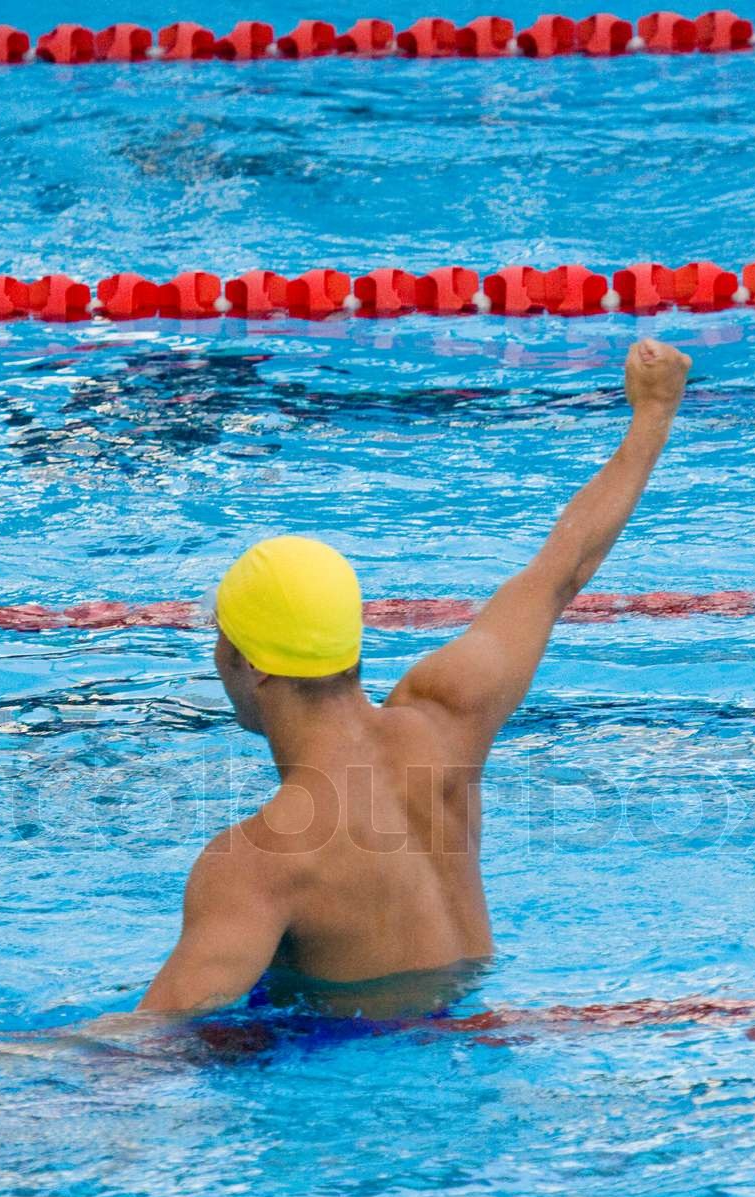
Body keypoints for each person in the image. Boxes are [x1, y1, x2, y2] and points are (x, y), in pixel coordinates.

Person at [140, 337, 690, 1016]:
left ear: (248, 665)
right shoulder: (448, 716)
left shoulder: (260, 861)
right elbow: (559, 571)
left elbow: (148, 1041)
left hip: (367, 1084)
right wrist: (652, 414)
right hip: (482, 1032)